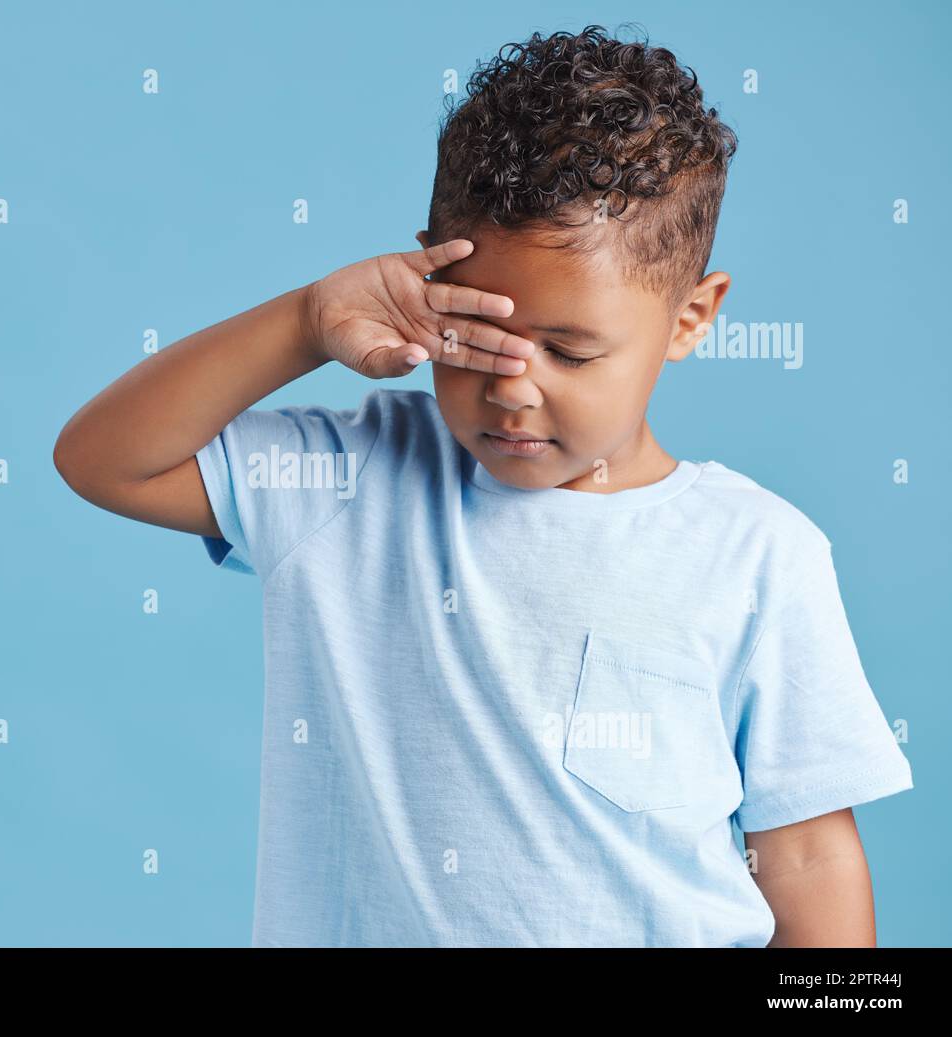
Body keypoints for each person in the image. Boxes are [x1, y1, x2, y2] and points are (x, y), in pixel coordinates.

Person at [53, 25, 913, 947]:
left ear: (691, 317)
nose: (512, 386)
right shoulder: (350, 482)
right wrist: (308, 322)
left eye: (570, 351)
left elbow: (810, 860)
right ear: (426, 275)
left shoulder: (756, 554)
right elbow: (104, 458)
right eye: (471, 341)